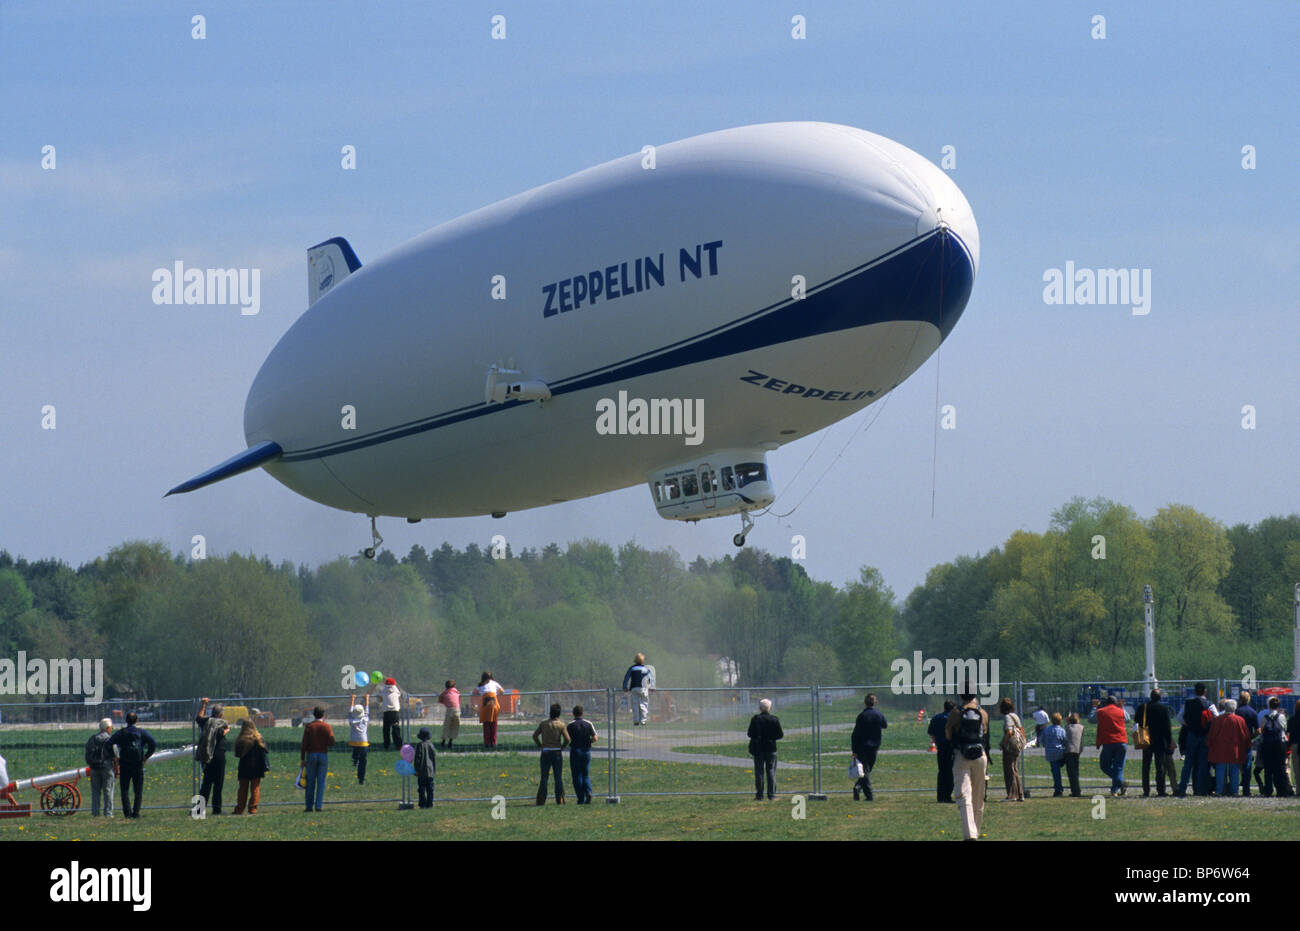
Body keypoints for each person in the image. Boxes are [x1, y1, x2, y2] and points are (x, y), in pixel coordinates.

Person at [946, 692, 990, 839]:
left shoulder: (956, 712)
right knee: (978, 796)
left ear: (961, 695)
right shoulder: (983, 712)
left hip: (962, 754)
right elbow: (985, 732)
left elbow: (948, 734)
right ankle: (975, 831)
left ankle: (970, 834)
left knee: (964, 795)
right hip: (980, 755)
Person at [108, 711, 157, 818]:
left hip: (124, 764)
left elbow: (109, 743)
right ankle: (136, 812)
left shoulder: (121, 733)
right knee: (138, 791)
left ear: (126, 721)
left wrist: (115, 757)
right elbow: (153, 743)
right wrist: (146, 756)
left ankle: (127, 813)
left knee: (124, 790)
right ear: (137, 721)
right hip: (138, 764)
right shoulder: (141, 732)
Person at [1136, 689, 1176, 797]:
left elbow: (1137, 721)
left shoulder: (1142, 708)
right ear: (1160, 697)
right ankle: (1161, 790)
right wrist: (1169, 742)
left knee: (1146, 766)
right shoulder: (1163, 709)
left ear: (1150, 696)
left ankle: (1146, 790)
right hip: (1160, 740)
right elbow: (1167, 727)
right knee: (1160, 767)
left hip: (1146, 739)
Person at [1207, 699, 1250, 797]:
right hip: (1234, 750)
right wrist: (1247, 745)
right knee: (1234, 771)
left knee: (1220, 771)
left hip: (1220, 749)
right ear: (1235, 708)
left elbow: (1212, 735)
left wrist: (1209, 743)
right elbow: (1245, 735)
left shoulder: (1218, 720)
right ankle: (1234, 791)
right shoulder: (1239, 720)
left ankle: (1219, 790)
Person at [1175, 683, 1212, 797]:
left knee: (1188, 763)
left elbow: (1179, 717)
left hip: (1191, 734)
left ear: (1195, 692)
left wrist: (1188, 724)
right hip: (1204, 735)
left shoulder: (1188, 703)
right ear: (1205, 692)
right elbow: (1216, 716)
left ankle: (1182, 788)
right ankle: (1200, 789)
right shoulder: (1209, 704)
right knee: (1202, 763)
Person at [850, 693, 888, 801]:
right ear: (875, 702)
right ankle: (869, 795)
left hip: (862, 746)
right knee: (867, 770)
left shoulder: (862, 716)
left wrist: (854, 750)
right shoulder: (879, 714)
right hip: (874, 746)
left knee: (865, 770)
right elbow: (885, 725)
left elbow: (855, 734)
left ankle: (858, 786)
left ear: (865, 703)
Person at [196, 697, 230, 815]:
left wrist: (203, 704)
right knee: (218, 784)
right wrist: (227, 730)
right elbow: (221, 733)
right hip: (219, 755)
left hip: (207, 756)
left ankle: (199, 810)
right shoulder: (222, 723)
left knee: (206, 783)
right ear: (220, 714)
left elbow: (198, 717)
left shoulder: (206, 722)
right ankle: (217, 809)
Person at [532, 703, 569, 805]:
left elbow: (535, 736)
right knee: (558, 777)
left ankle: (541, 800)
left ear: (550, 713)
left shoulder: (544, 724)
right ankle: (560, 799)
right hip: (557, 752)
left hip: (545, 752)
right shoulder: (561, 725)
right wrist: (562, 747)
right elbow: (567, 739)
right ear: (559, 713)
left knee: (544, 777)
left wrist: (540, 745)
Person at [747, 698, 784, 800]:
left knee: (759, 772)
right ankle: (771, 794)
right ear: (770, 708)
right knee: (771, 771)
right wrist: (771, 737)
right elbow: (780, 735)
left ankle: (759, 795)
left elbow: (749, 733)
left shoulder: (755, 719)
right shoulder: (774, 719)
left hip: (758, 749)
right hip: (771, 748)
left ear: (760, 708)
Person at [1092, 694, 1129, 796]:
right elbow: (1127, 719)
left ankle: (1120, 783)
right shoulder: (1121, 711)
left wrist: (1094, 707)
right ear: (1116, 702)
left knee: (1104, 765)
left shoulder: (1101, 712)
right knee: (1119, 767)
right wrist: (1122, 707)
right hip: (1121, 741)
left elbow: (1091, 720)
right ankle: (1115, 789)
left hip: (1108, 742)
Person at [300, 705, 335, 812]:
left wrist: (302, 758)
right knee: (321, 782)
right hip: (323, 755)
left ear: (313, 715)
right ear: (323, 715)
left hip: (311, 755)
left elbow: (304, 744)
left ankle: (309, 806)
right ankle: (318, 806)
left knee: (310, 781)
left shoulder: (309, 727)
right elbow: (332, 742)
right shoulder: (327, 727)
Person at [232, 719, 270, 814]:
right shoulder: (259, 738)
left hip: (244, 767)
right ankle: (253, 808)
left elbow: (237, 754)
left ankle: (240, 808)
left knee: (242, 788)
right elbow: (265, 750)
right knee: (255, 788)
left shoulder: (241, 739)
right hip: (257, 766)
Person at [1258, 696, 1292, 797]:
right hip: (1279, 744)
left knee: (1268, 768)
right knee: (1280, 767)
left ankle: (1268, 790)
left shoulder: (1264, 718)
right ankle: (1281, 790)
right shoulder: (1281, 717)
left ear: (1269, 705)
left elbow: (1262, 730)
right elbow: (1284, 728)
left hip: (1267, 745)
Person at [84, 718, 116, 817]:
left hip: (94, 767)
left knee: (95, 791)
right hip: (107, 767)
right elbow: (115, 754)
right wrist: (117, 767)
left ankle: (95, 813)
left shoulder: (92, 739)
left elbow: (87, 753)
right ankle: (108, 813)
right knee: (108, 790)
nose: (112, 729)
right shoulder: (110, 739)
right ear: (107, 728)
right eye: (111, 727)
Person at [567, 705, 599, 804]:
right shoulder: (588, 723)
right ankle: (589, 792)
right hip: (586, 751)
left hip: (575, 750)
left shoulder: (571, 725)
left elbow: (567, 738)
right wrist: (588, 742)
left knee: (577, 775)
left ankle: (580, 797)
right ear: (582, 713)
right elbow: (595, 738)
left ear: (573, 713)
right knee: (585, 775)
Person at [928, 699, 956, 803]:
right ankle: (947, 796)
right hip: (951, 747)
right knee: (950, 772)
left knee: (941, 771)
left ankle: (940, 796)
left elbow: (931, 732)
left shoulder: (936, 718)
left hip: (941, 747)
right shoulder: (954, 718)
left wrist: (936, 742)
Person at [998, 697, 1025, 801]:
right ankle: (1020, 794)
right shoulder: (1015, 716)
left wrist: (1003, 744)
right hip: (1017, 745)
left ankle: (1012, 795)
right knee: (1015, 769)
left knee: (1009, 769)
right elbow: (1021, 729)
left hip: (1010, 746)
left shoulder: (1007, 717)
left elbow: (1009, 732)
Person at [1235, 690, 1258, 796]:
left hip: (1235, 741)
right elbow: (1258, 730)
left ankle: (1233, 787)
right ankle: (1246, 789)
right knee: (1247, 765)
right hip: (1247, 741)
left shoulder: (1236, 711)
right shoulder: (1252, 712)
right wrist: (1251, 737)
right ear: (1249, 699)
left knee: (1234, 764)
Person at [347, 688, 372, 785]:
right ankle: (361, 778)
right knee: (363, 761)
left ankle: (355, 759)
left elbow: (350, 712)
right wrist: (367, 699)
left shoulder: (351, 720)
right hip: (363, 742)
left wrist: (352, 699)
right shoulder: (365, 719)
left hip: (354, 741)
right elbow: (367, 710)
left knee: (356, 752)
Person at [622, 653, 654, 725]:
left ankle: (636, 720)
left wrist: (625, 687)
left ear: (635, 660)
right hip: (643, 689)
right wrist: (652, 687)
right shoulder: (646, 669)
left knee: (635, 704)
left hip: (634, 688)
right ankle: (643, 720)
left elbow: (626, 678)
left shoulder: (632, 668)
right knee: (644, 704)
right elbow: (651, 678)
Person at [1041, 712, 1067, 796]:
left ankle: (1058, 789)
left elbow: (1043, 741)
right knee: (1057, 769)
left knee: (1055, 771)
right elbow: (1065, 741)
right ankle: (1059, 788)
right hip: (1059, 752)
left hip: (1050, 753)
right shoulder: (1061, 730)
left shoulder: (1046, 730)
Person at [475, 672, 503, 748]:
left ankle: (487, 742)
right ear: (491, 677)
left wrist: (481, 693)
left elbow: (475, 692)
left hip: (485, 705)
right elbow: (502, 691)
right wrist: (495, 694)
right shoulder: (494, 683)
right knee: (494, 724)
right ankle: (493, 742)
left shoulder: (480, 685)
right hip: (494, 704)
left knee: (486, 725)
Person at [413, 727, 437, 808]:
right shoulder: (431, 745)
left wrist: (416, 769)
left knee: (421, 789)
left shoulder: (420, 745)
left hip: (421, 771)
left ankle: (422, 804)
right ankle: (430, 804)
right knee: (430, 789)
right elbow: (434, 756)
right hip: (430, 771)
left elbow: (417, 758)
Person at [1063, 712, 1084, 797]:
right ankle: (1077, 789)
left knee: (1071, 773)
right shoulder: (1081, 727)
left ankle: (1075, 790)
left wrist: (1067, 721)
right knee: (1076, 771)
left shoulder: (1067, 727)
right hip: (1077, 750)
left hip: (1069, 751)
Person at [438, 679, 461, 748]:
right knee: (455, 726)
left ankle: (443, 741)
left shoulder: (445, 693)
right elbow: (459, 700)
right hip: (457, 710)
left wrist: (445, 702)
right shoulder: (457, 692)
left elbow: (440, 700)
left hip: (449, 710)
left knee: (446, 726)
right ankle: (451, 740)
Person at [380, 677, 402, 751]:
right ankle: (398, 745)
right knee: (396, 729)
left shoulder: (383, 691)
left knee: (386, 730)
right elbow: (399, 692)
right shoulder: (396, 691)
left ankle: (386, 745)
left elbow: (380, 697)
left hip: (386, 712)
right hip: (395, 712)